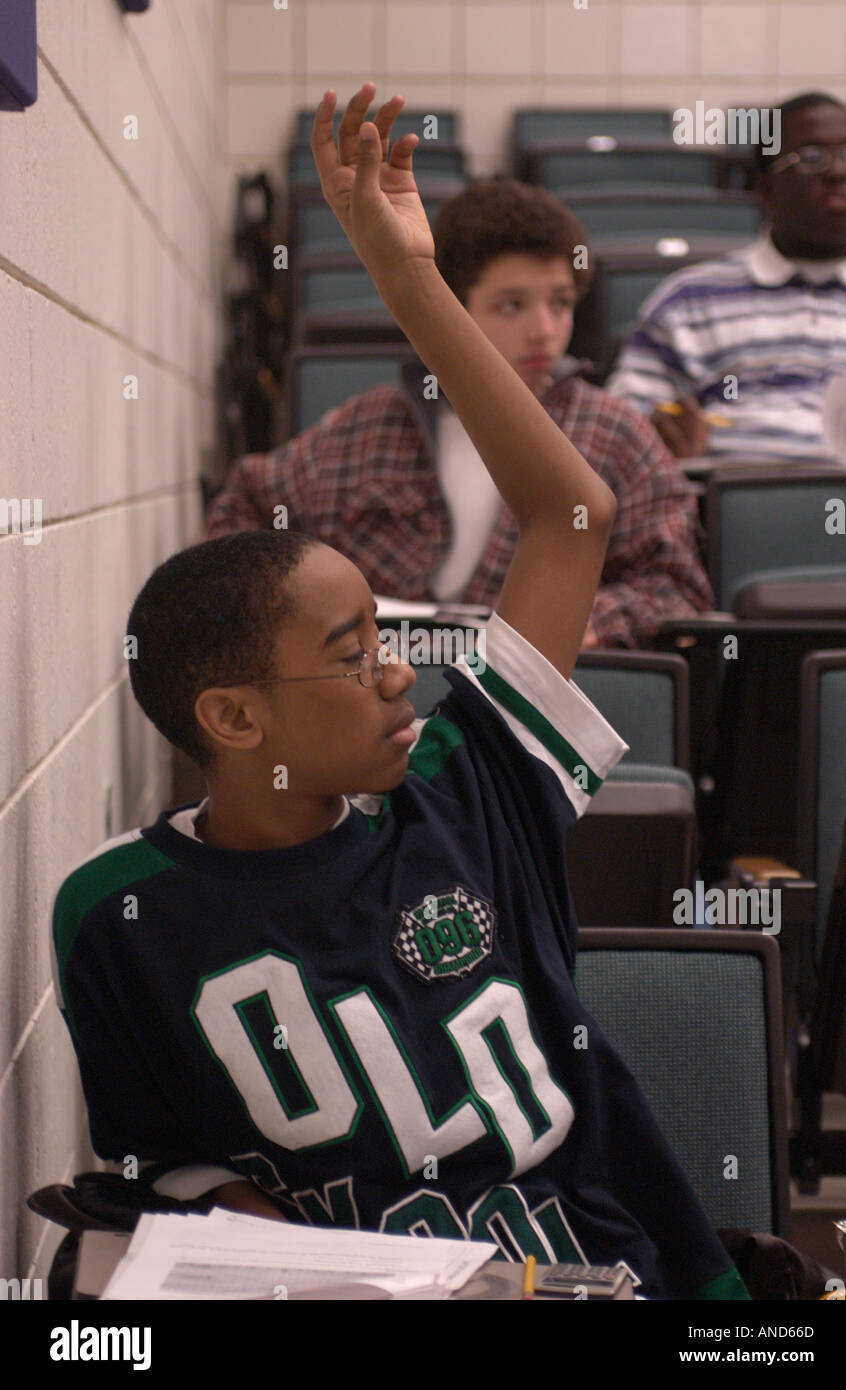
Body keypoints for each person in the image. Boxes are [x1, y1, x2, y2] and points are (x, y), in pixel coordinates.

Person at [51, 84, 746, 1300]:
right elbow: (162, 1158)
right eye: (352, 649)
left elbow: (576, 513)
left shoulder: (469, 782)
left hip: (583, 1269)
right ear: (232, 718)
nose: (396, 670)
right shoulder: (117, 909)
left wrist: (405, 276)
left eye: (386, 634)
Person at [206, 178, 712, 650]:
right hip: (382, 694)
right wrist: (306, 613)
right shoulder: (373, 424)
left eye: (560, 303)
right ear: (452, 312)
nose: (545, 331)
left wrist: (588, 621)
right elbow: (245, 511)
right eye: (511, 306)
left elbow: (677, 589)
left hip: (534, 708)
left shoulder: (614, 433)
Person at [607, 92, 846, 461]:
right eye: (811, 157)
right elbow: (624, 427)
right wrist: (663, 441)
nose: (838, 172)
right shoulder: (691, 298)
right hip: (720, 508)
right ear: (764, 188)